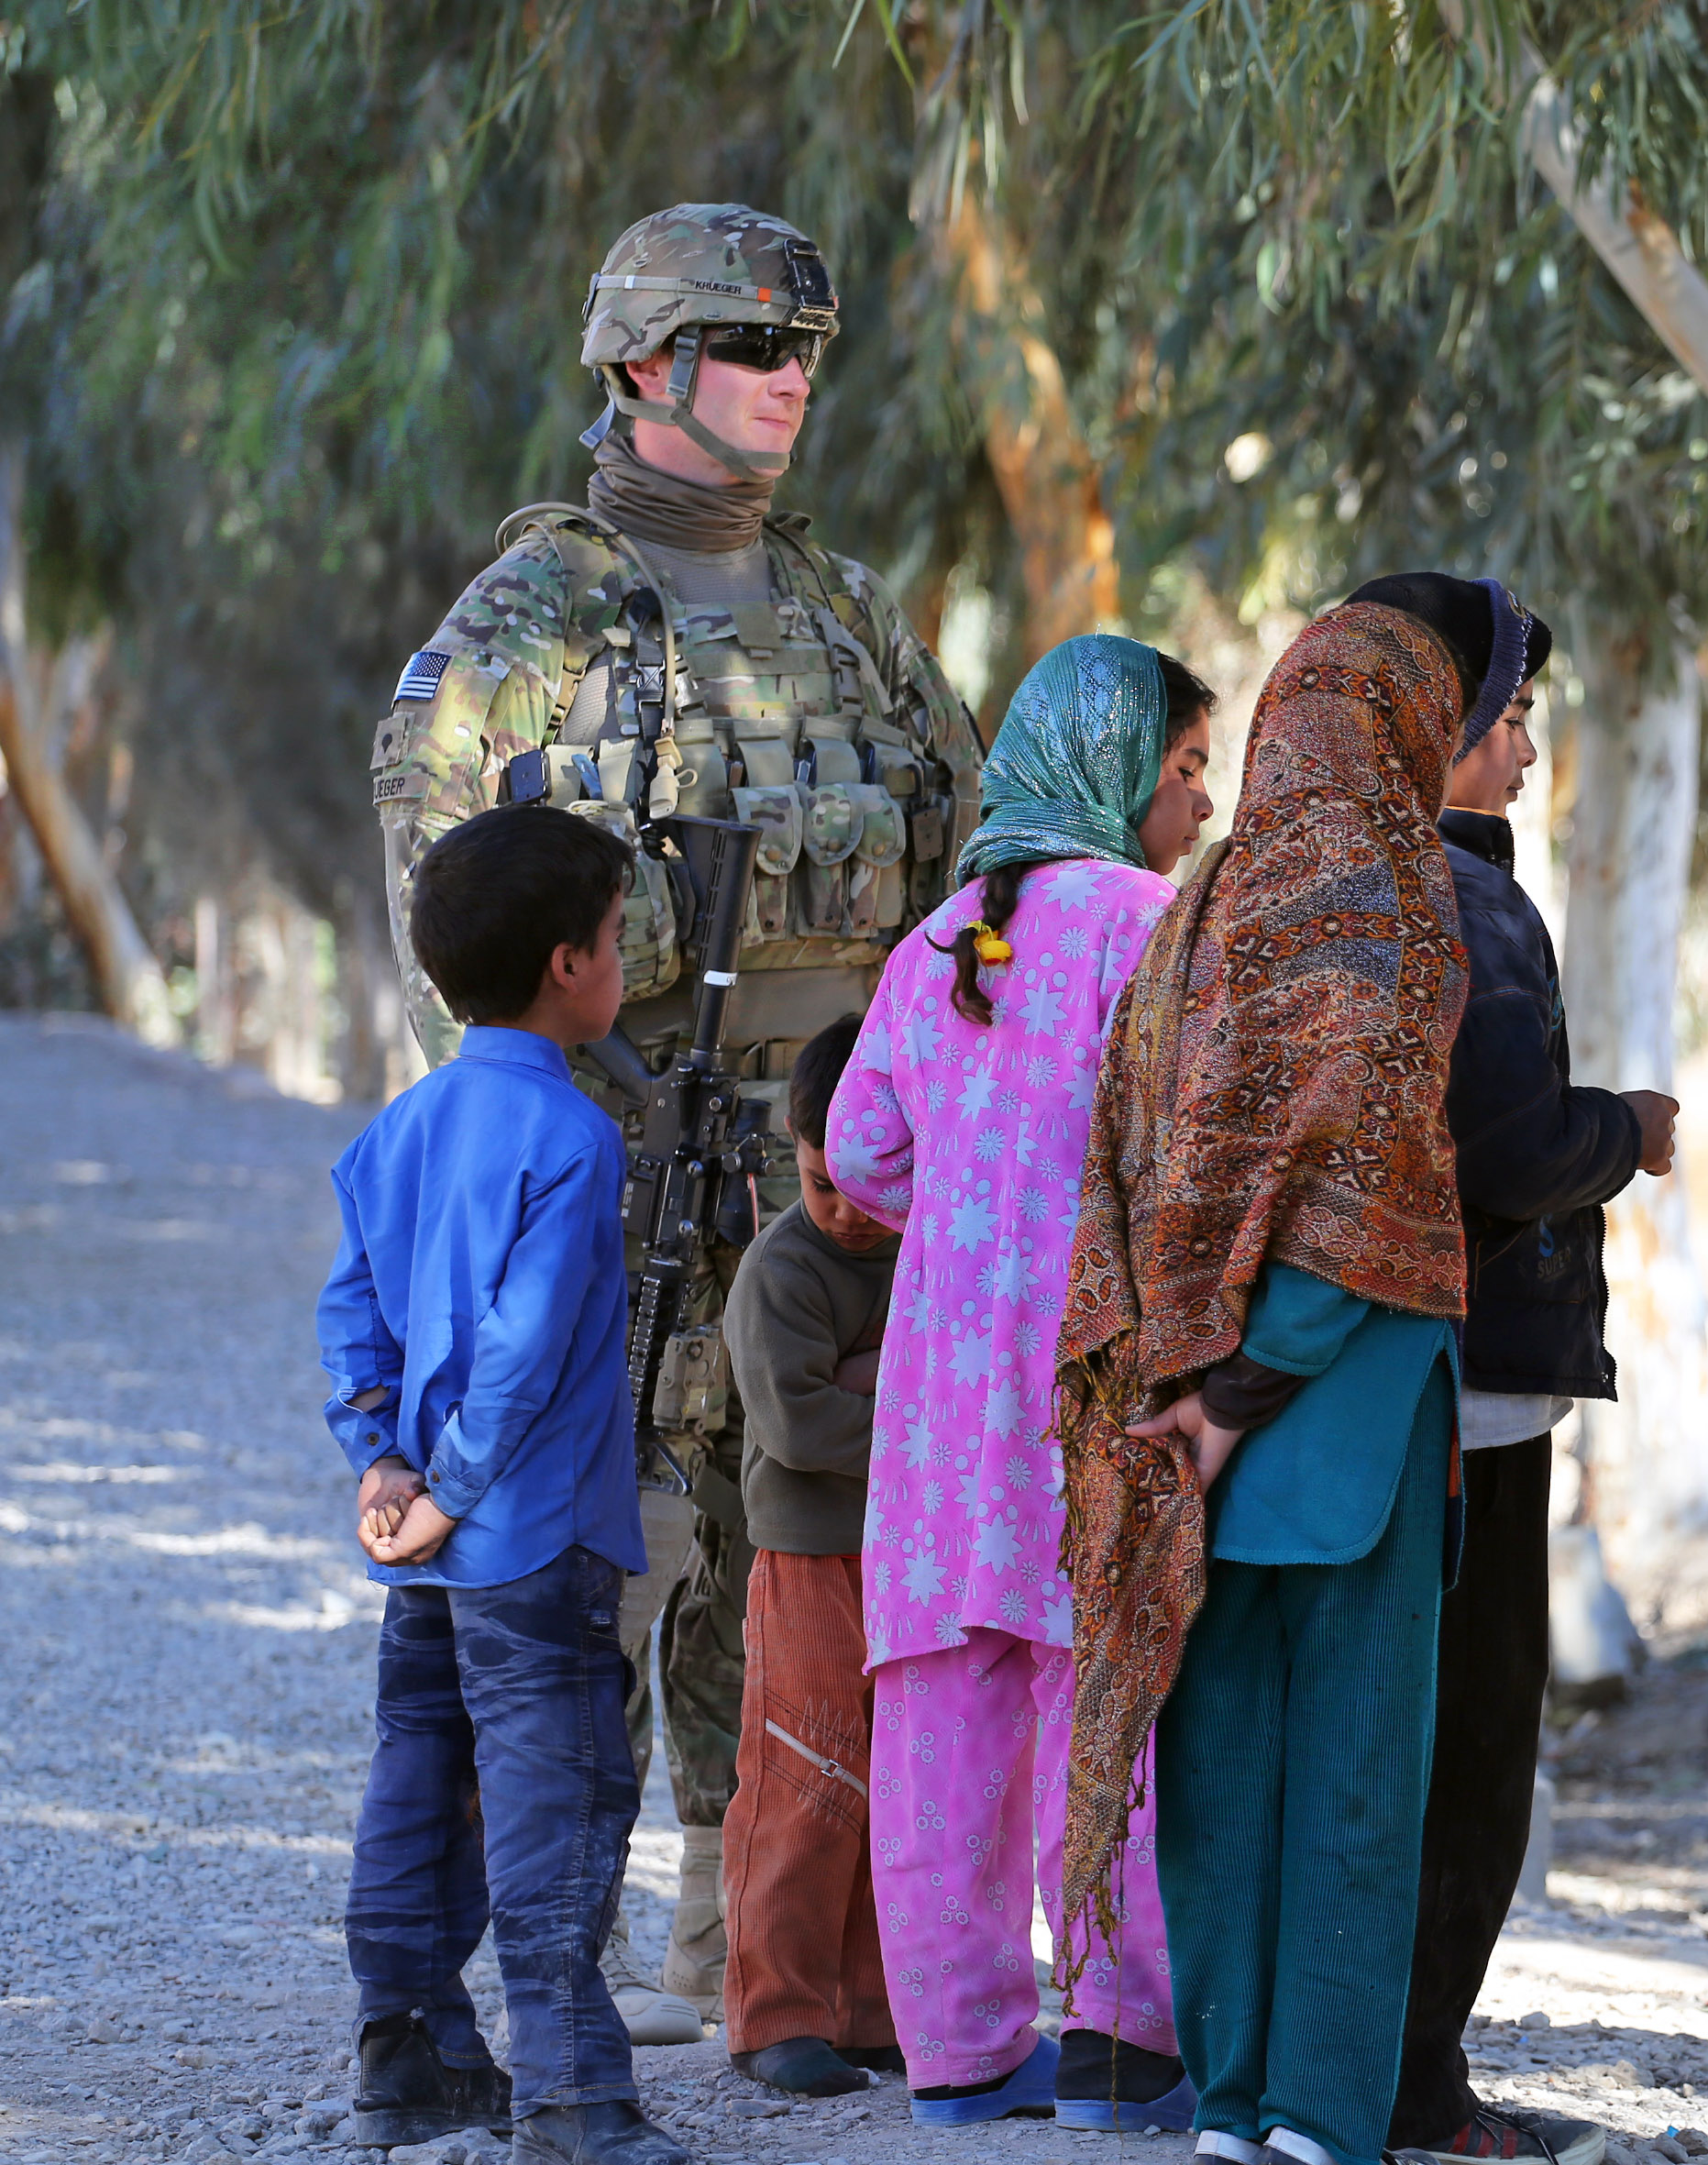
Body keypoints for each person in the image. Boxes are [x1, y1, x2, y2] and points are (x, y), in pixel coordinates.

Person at [369, 201, 982, 2036]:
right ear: (646, 365)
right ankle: (527, 1950)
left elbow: (966, 865)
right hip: (609, 1155)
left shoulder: (849, 610)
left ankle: (753, 1949)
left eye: (805, 349)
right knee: (593, 1545)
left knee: (794, 1540)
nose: (791, 380)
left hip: (829, 1176)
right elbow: (442, 902)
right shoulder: (527, 621)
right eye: (751, 345)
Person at [1056, 595, 1473, 2165]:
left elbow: (1143, 1146)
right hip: (1336, 1418)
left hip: (1180, 1422)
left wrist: (1180, 1395)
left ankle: (1228, 2103)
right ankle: (1317, 2111)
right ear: (1402, 718)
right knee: (1356, 1782)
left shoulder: (1203, 902)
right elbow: (1357, 1195)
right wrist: (1245, 1392)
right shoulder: (1394, 893)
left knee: (1218, 1771)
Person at [826, 634, 1218, 2128]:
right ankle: (1121, 2044)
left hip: (940, 1412)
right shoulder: (1149, 927)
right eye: (1181, 767)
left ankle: (962, 2054)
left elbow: (861, 1151)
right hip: (1095, 1390)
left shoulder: (937, 946)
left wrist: (966, 1185)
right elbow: (1198, 1144)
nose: (1195, 799)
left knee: (941, 1717)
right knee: (1105, 1701)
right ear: (1112, 771)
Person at [1340, 576, 1673, 2165]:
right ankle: (1414, 2084)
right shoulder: (1457, 897)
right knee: (1468, 1741)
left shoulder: (1314, 874)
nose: (1531, 750)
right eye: (1513, 717)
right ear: (1440, 728)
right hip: (1463, 1386)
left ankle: (1342, 2065)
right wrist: (1626, 1132)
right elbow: (1502, 1147)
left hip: (1355, 1384)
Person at [319, 803, 693, 2165]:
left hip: (424, 1541)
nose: (616, 960)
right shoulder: (580, 1143)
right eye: (610, 938)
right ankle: (577, 2100)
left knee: (417, 1772)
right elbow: (528, 1353)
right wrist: (455, 1490)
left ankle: (404, 2055)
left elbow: (351, 1309)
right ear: (568, 968)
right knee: (562, 1797)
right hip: (528, 1541)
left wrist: (384, 1461)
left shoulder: (401, 1128)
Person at [714, 1014, 898, 2095]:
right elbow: (798, 1428)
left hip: (907, 1557)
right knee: (806, 1771)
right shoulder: (781, 1273)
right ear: (792, 1145)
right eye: (822, 1183)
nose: (845, 1211)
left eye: (871, 1185)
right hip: (807, 1557)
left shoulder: (924, 1242)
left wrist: (872, 1383)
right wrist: (904, 1403)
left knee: (895, 1780)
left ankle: (871, 2011)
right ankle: (775, 2012)